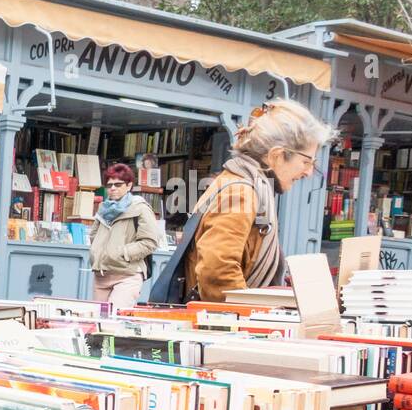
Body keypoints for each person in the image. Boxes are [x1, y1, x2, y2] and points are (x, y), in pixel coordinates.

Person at [180, 100, 334, 303]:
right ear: (276, 155)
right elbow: (217, 271)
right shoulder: (241, 191)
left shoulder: (246, 185)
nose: (308, 172)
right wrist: (249, 319)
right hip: (227, 326)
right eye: (306, 161)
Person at [88, 163, 159, 309]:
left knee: (115, 317)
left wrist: (121, 253)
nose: (113, 188)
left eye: (118, 184)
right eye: (109, 185)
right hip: (102, 275)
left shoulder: (139, 208)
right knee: (98, 321)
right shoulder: (104, 208)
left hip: (127, 274)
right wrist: (97, 252)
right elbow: (94, 236)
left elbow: (150, 241)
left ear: (129, 185)